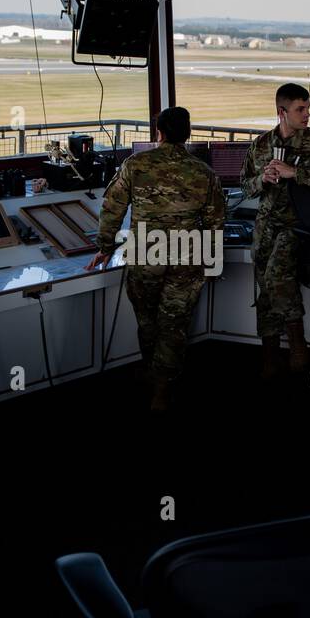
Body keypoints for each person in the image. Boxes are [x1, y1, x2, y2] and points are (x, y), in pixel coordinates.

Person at [88, 106, 225, 411]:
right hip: (186, 256)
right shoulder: (205, 173)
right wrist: (214, 262)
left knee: (148, 320)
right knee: (174, 324)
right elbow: (215, 223)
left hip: (146, 254)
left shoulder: (135, 165)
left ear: (159, 133)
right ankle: (162, 389)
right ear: (187, 134)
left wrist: (105, 247)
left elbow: (112, 208)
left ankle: (150, 373)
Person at [241, 82, 310, 377]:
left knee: (276, 279)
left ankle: (299, 347)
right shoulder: (260, 145)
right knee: (265, 291)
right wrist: (264, 178)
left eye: (308, 108)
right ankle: (270, 354)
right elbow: (244, 187)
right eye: (301, 109)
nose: (307, 114)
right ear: (281, 112)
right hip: (266, 226)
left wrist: (294, 173)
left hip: (301, 227)